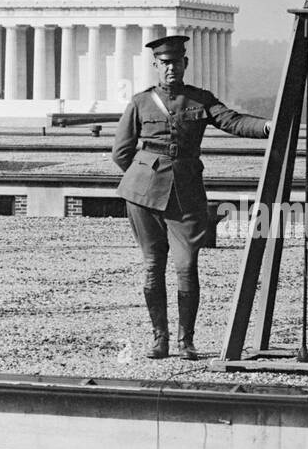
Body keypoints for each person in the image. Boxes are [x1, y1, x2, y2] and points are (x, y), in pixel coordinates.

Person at [111, 34, 271, 359]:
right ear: (156, 65)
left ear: (185, 64)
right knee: (153, 266)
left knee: (187, 265)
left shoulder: (201, 100)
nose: (171, 68)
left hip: (185, 194)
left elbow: (233, 121)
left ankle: (187, 341)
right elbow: (121, 152)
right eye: (164, 63)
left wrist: (269, 125)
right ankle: (160, 339)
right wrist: (145, 173)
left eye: (176, 62)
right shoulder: (141, 102)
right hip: (143, 195)